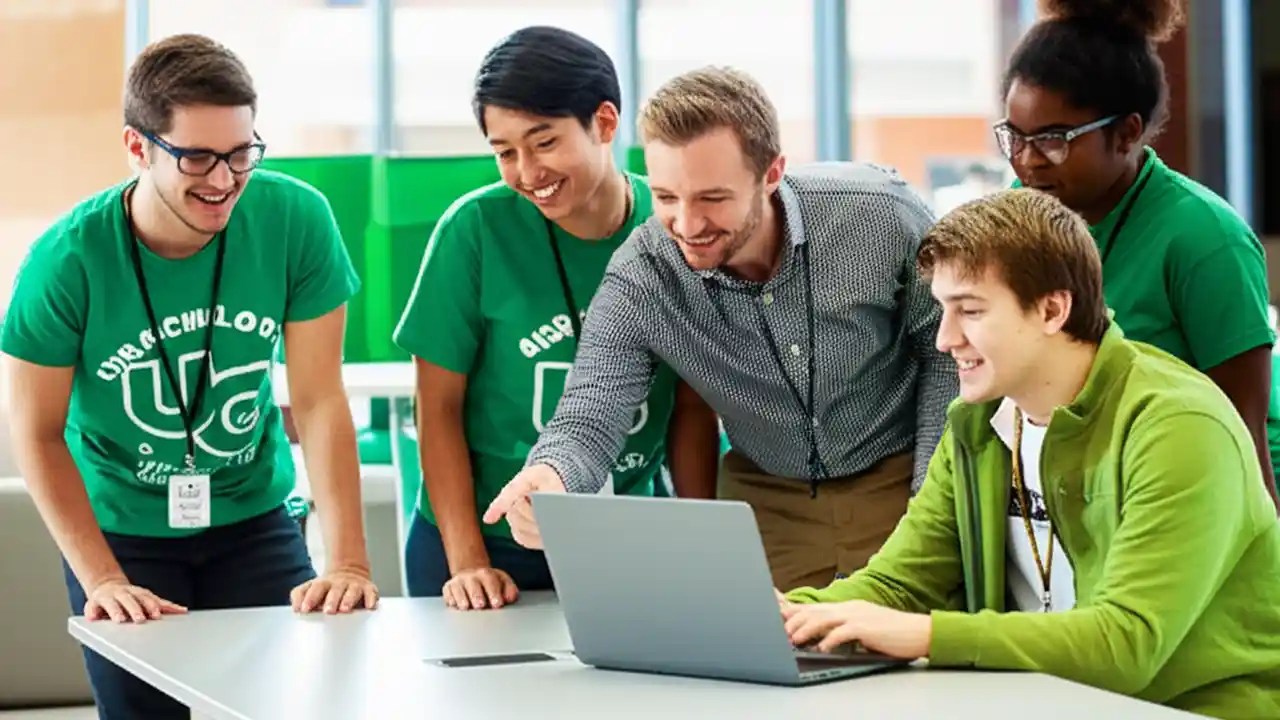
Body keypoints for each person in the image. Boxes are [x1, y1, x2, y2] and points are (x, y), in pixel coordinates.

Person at [779, 188, 1280, 720]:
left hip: (1192, 708)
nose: (946, 339)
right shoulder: (977, 422)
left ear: (1052, 309)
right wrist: (784, 616)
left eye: (970, 310)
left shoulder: (1179, 426)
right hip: (1042, 701)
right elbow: (900, 584)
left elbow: (1125, 643)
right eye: (942, 310)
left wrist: (926, 635)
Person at [1, 34, 378, 719]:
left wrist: (348, 561)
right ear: (138, 147)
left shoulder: (297, 221)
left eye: (241, 154)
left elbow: (320, 399)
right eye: (198, 157)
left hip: (255, 517)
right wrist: (102, 578)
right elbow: (37, 433)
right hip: (122, 530)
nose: (224, 180)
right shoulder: (65, 261)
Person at [484, 66, 959, 592]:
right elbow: (590, 411)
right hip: (767, 493)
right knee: (762, 660)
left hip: (900, 472)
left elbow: (946, 351)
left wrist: (933, 494)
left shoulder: (880, 216)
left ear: (772, 173)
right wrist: (550, 476)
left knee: (919, 657)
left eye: (712, 199)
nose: (687, 226)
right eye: (666, 198)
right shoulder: (643, 274)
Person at [392, 26, 721, 610]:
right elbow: (437, 410)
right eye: (504, 151)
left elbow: (693, 406)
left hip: (625, 536)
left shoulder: (674, 222)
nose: (526, 171)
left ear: (605, 123)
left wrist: (704, 542)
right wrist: (468, 562)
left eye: (543, 142)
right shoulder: (474, 231)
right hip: (488, 541)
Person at [996, 0, 1280, 506]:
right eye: (1015, 138)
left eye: (1054, 140)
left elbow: (1244, 432)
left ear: (1126, 133)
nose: (1029, 161)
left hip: (1199, 483)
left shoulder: (1205, 238)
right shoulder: (1021, 215)